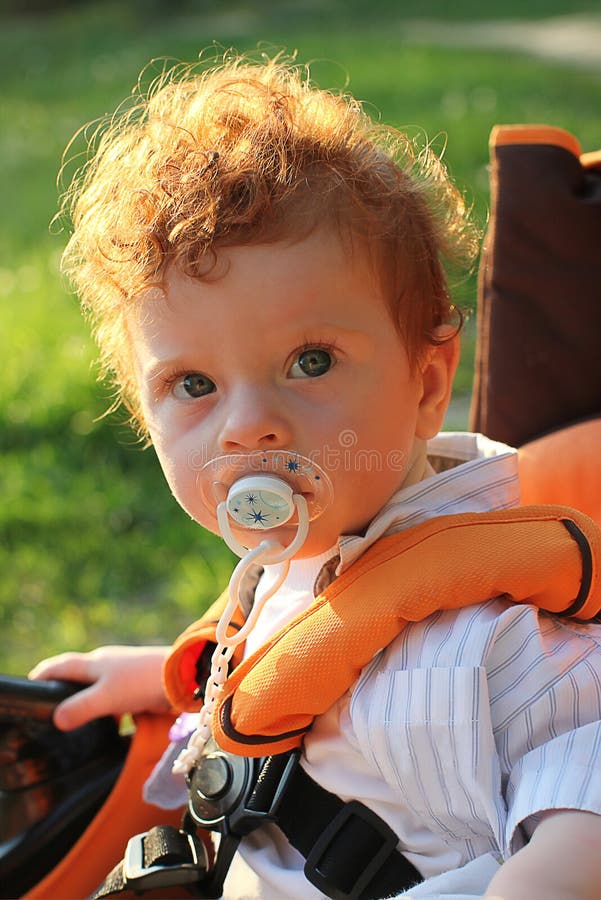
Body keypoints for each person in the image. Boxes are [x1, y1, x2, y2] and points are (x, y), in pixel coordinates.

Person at [30, 54, 601, 899]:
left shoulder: (506, 623)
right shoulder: (286, 576)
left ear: (425, 382)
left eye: (309, 360)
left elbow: (583, 810)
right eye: (193, 385)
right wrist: (172, 676)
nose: (246, 423)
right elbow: (314, 669)